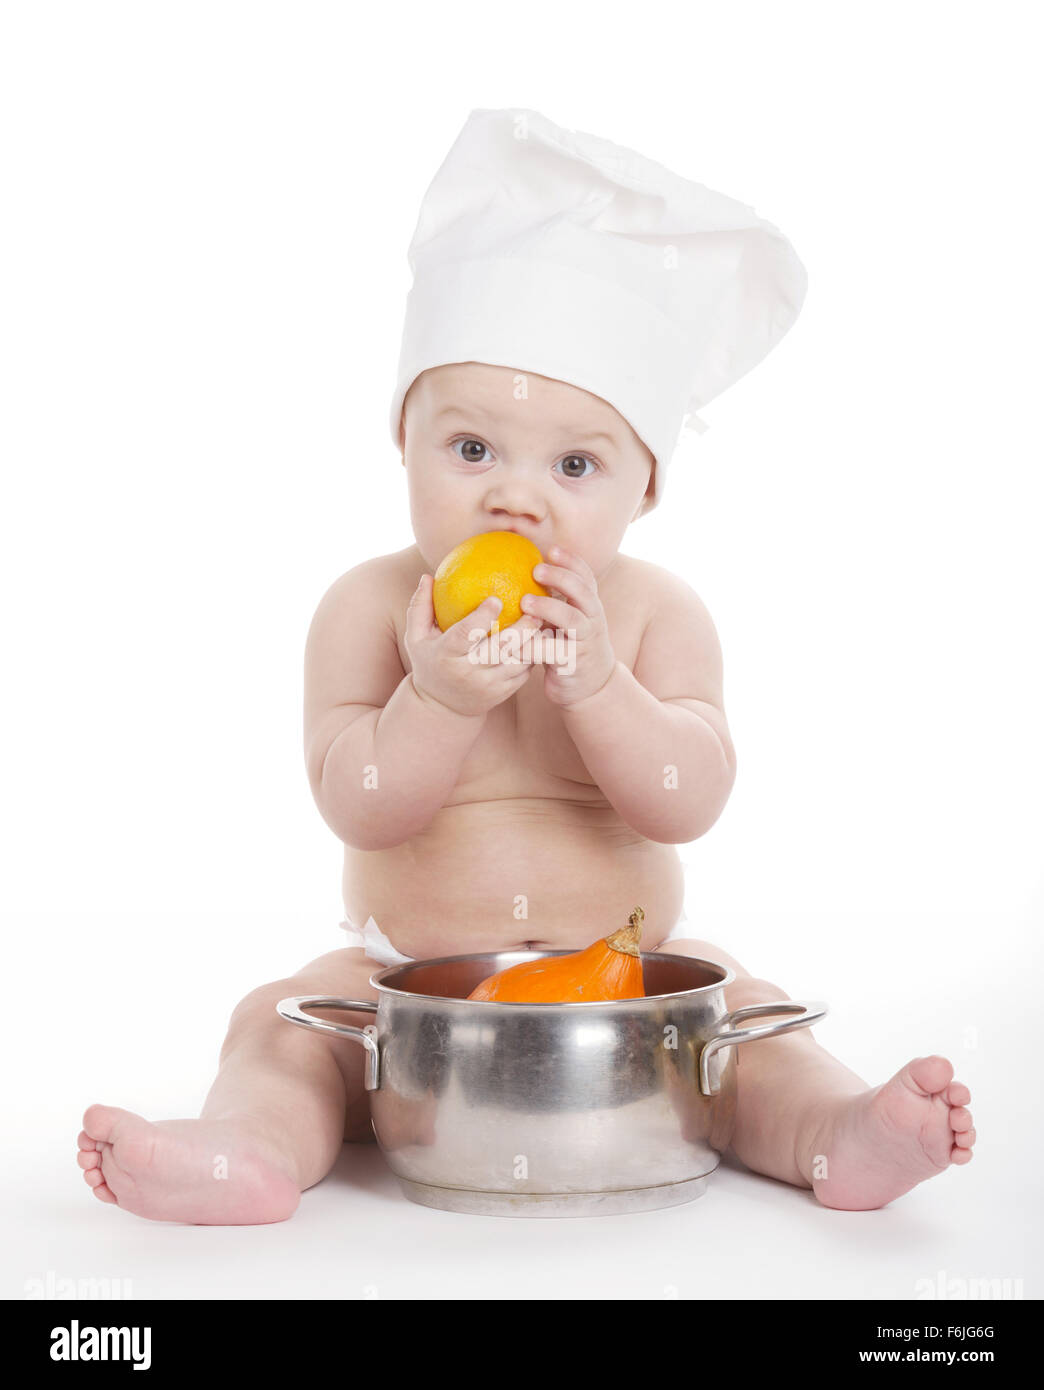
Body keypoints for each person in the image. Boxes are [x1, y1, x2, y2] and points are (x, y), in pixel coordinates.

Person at [76, 110, 974, 1223]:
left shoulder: (657, 615)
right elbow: (365, 806)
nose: (516, 496)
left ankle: (837, 1135)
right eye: (471, 449)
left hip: (629, 990)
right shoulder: (365, 608)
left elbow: (688, 798)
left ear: (646, 487)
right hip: (409, 995)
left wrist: (600, 687)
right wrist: (436, 697)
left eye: (577, 463)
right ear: (399, 437)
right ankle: (249, 1149)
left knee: (747, 1015)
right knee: (282, 1018)